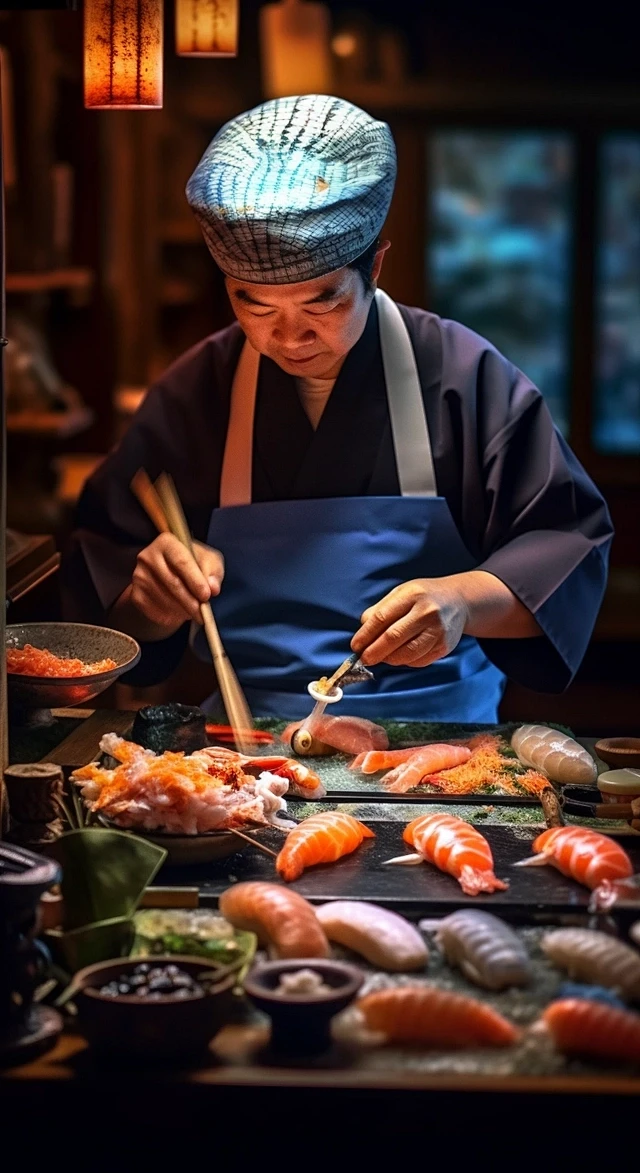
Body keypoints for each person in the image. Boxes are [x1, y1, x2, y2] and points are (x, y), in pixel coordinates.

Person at [63, 94, 613, 723]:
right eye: (254, 305)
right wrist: (150, 601)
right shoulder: (200, 390)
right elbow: (105, 601)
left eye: (320, 303)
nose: (288, 336)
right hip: (248, 744)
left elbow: (565, 550)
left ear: (374, 266)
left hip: (443, 738)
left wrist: (462, 600)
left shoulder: (464, 377)